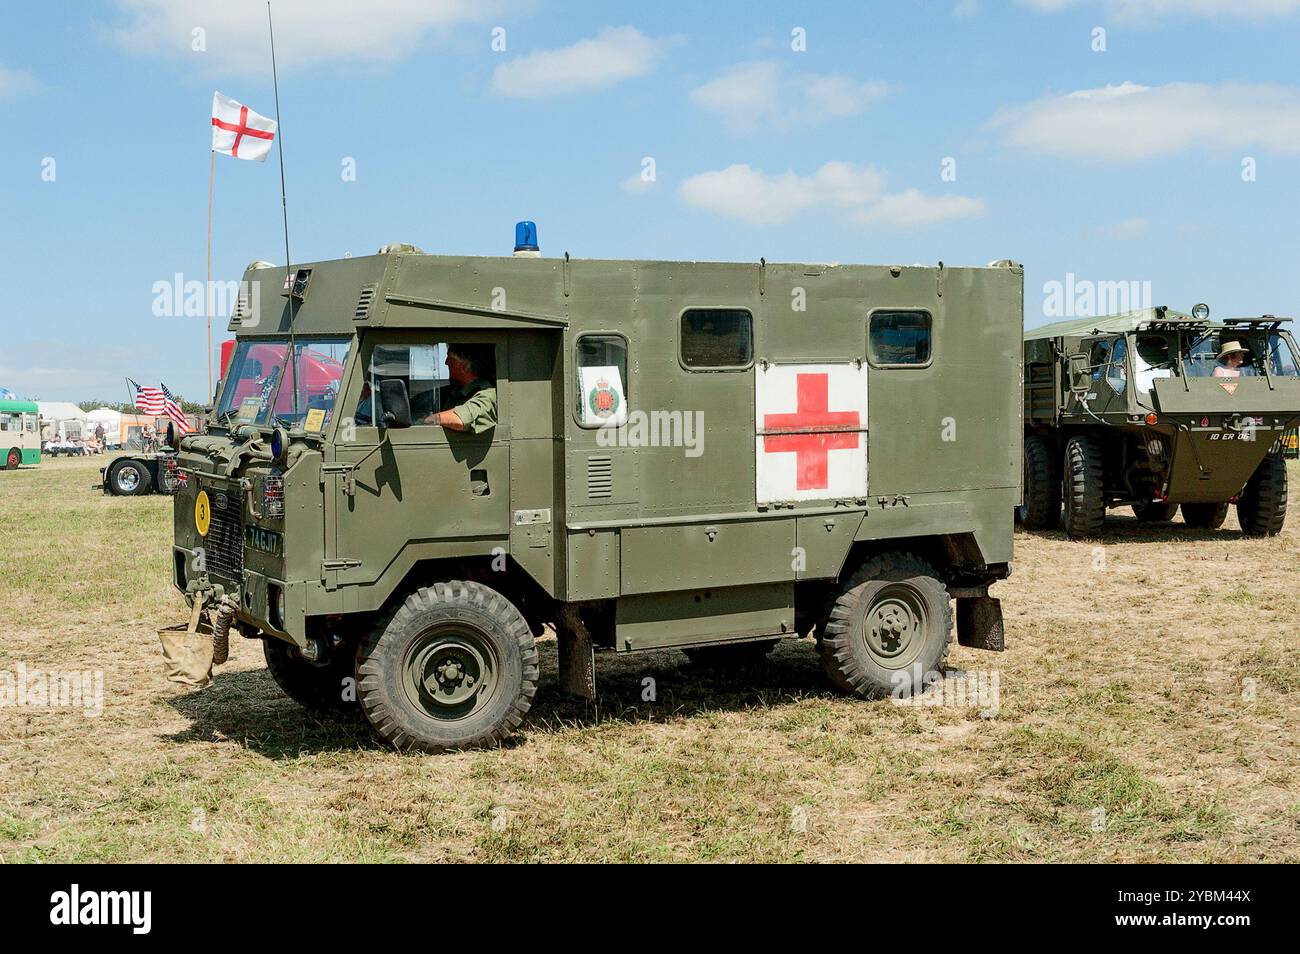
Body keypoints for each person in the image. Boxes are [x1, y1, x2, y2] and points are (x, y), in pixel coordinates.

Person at [423, 345, 497, 434]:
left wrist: (429, 420)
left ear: (464, 364)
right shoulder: (455, 391)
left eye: (450, 358)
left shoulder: (488, 393)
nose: (446, 362)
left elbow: (460, 420)